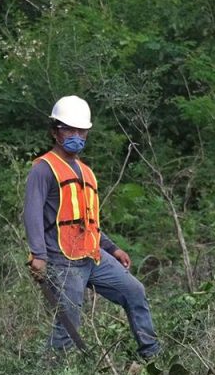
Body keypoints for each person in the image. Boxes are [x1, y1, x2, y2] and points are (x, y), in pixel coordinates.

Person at [23, 95, 159, 359]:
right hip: (63, 262)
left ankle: (152, 357)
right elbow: (31, 214)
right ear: (55, 132)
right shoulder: (44, 169)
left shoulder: (85, 171)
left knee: (135, 292)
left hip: (93, 256)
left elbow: (87, 220)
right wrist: (38, 255)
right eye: (69, 130)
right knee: (68, 327)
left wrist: (113, 248)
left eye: (81, 130)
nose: (76, 135)